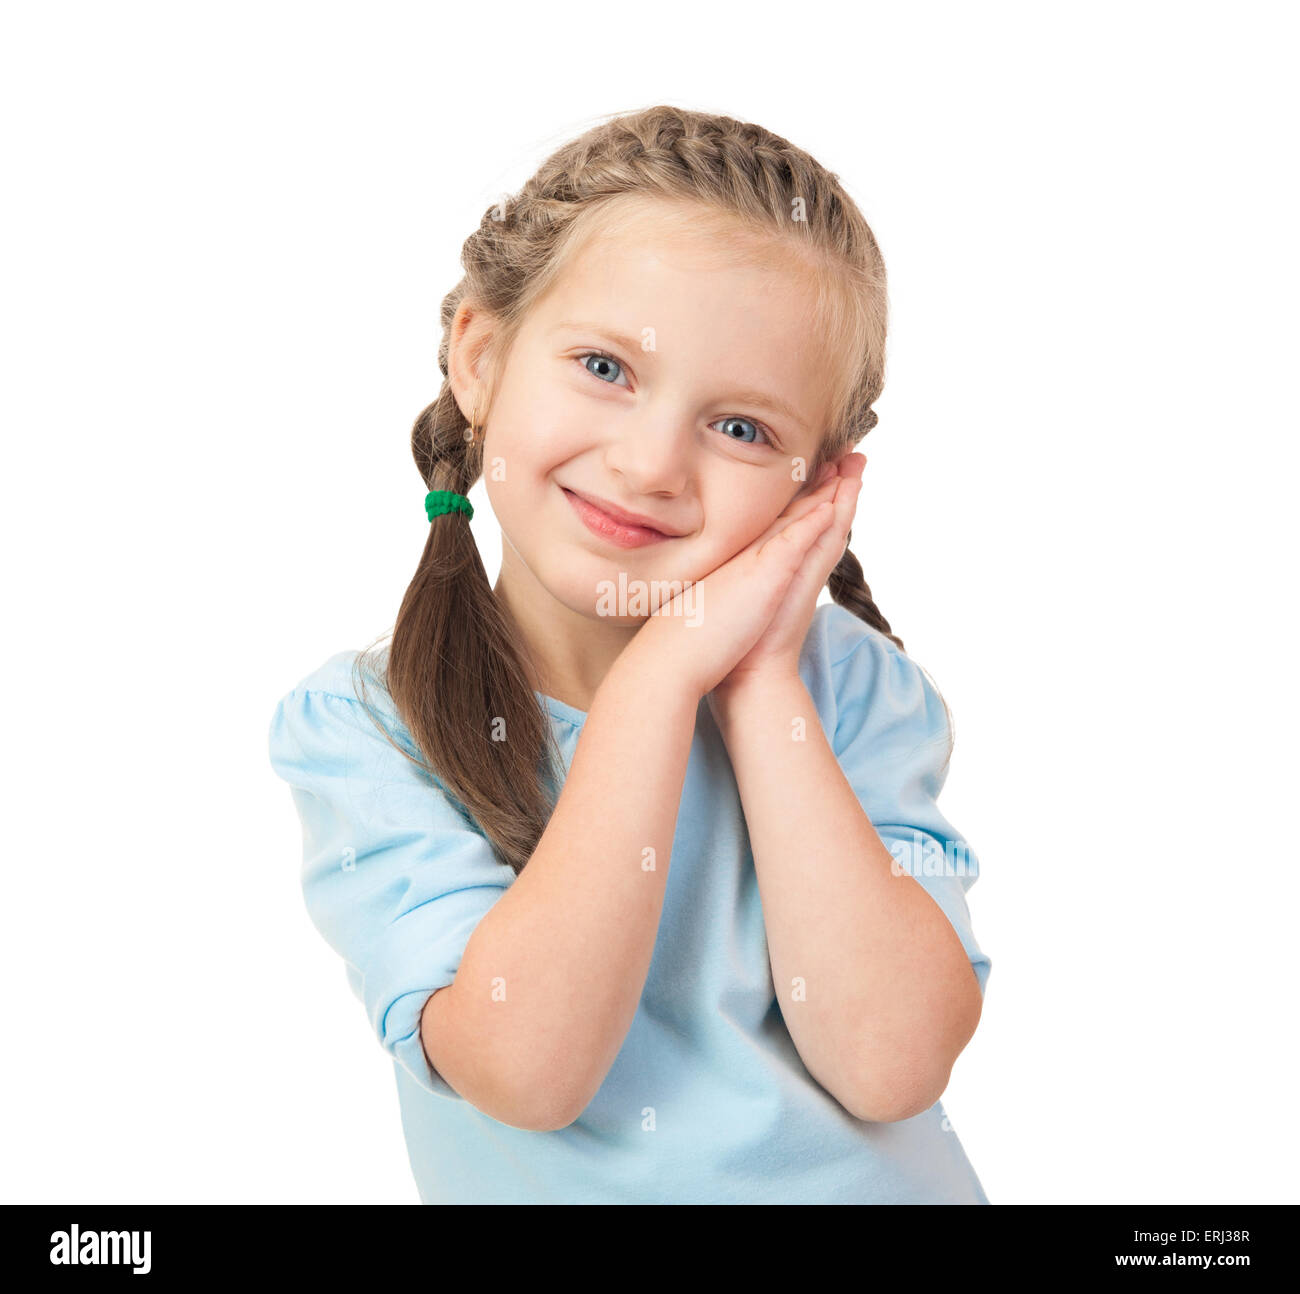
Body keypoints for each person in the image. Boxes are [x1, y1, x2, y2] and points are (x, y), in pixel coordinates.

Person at [268, 103, 992, 1204]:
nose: (652, 463)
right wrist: (659, 680)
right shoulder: (370, 728)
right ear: (480, 355)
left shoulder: (853, 691)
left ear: (818, 486)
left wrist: (754, 683)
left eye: (742, 428)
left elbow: (891, 1063)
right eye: (605, 366)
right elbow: (528, 1070)